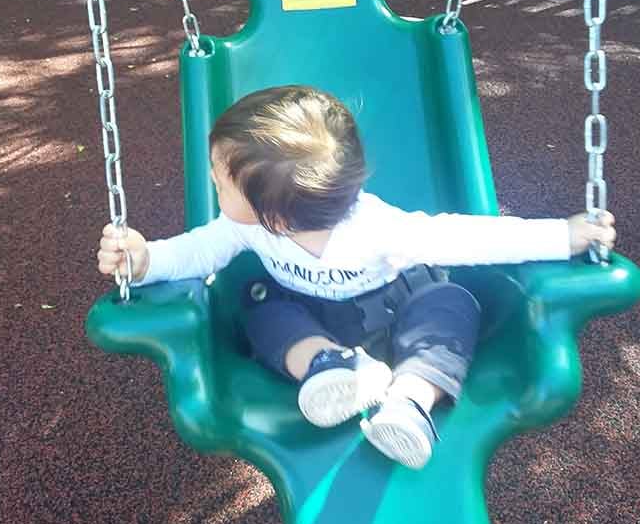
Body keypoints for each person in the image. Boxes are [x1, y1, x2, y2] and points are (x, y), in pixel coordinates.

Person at [97, 85, 616, 470]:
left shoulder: (376, 228)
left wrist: (563, 236)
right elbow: (196, 252)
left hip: (395, 312)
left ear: (274, 216)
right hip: (315, 325)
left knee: (451, 302)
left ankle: (410, 401)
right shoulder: (243, 225)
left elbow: (471, 238)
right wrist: (145, 260)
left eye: (221, 179)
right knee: (265, 312)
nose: (212, 180)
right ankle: (330, 368)